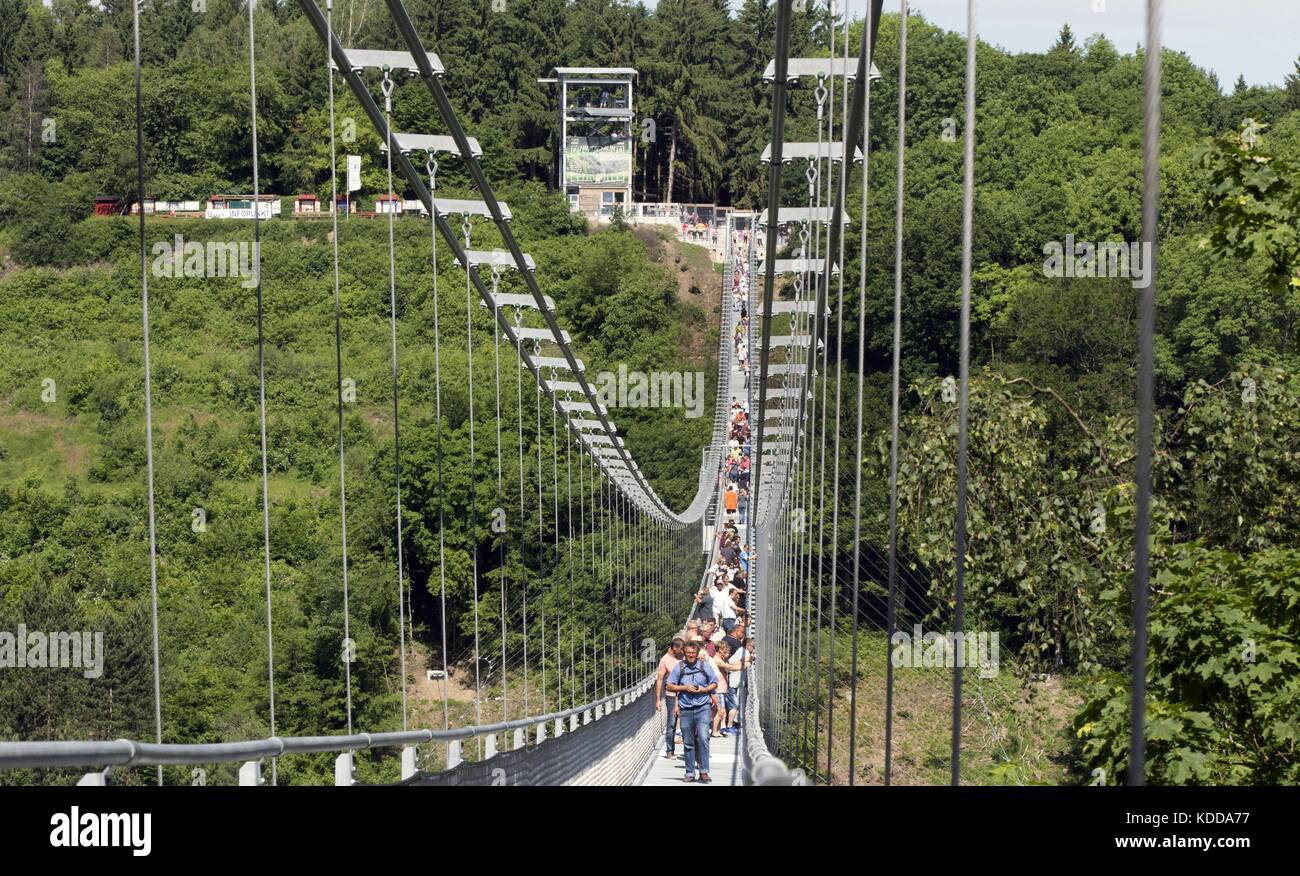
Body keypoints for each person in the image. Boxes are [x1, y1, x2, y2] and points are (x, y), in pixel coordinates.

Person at [666, 641, 718, 782]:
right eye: (688, 652)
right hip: (686, 710)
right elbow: (669, 686)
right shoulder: (679, 667)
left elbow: (714, 682)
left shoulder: (704, 666)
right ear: (684, 652)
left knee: (703, 738)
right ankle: (689, 772)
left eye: (693, 653)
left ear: (697, 653)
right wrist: (684, 688)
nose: (690, 655)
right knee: (688, 742)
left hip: (703, 708)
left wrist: (704, 689)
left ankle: (704, 771)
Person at [656, 638, 684, 759]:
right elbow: (660, 679)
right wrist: (657, 699)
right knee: (672, 722)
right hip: (671, 696)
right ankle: (669, 750)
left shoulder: (681, 658)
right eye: (681, 649)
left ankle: (689, 751)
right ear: (674, 648)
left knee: (687, 722)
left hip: (684, 694)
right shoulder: (664, 660)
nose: (682, 651)